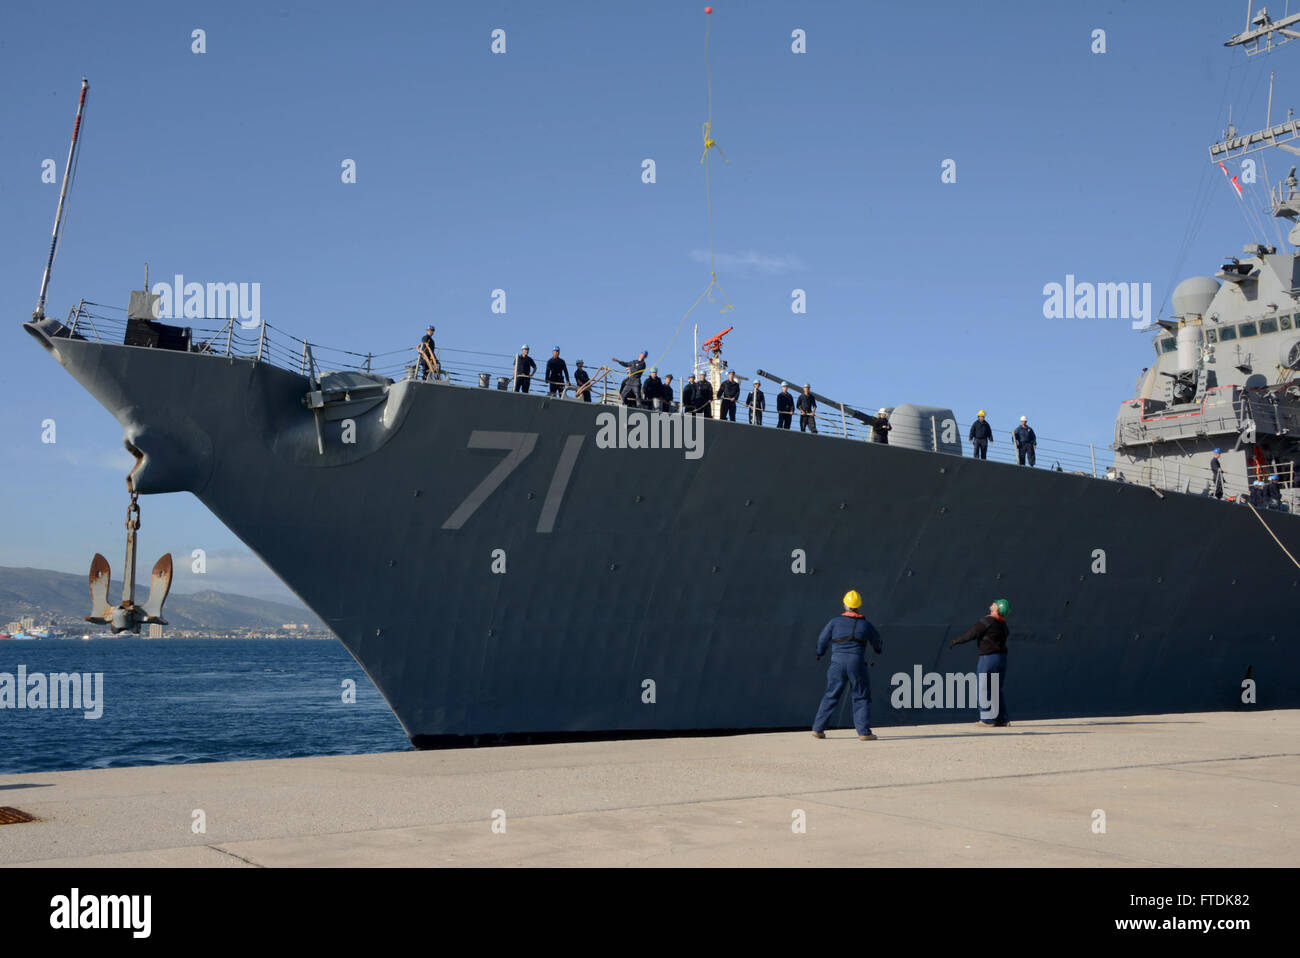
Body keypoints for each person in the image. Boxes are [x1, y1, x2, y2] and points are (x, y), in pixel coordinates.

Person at [812, 590, 883, 741]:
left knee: (831, 694)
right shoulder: (866, 624)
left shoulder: (834, 622)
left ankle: (818, 729)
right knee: (861, 696)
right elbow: (877, 642)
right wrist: (878, 649)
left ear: (845, 604)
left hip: (837, 662)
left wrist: (819, 653)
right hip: (856, 663)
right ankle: (863, 732)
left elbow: (822, 640)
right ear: (859, 606)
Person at [949, 599, 1011, 727]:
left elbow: (971, 634)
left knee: (983, 688)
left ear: (997, 608)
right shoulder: (1003, 625)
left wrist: (956, 641)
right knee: (996, 689)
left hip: (988, 658)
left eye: (995, 603)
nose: (993, 603)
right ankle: (1002, 719)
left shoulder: (987, 621)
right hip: (1002, 658)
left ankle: (987, 720)